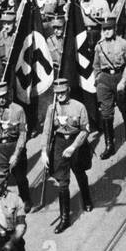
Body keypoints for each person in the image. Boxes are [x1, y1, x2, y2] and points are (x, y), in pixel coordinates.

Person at [38, 78, 92, 233]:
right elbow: (47, 131)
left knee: (80, 173)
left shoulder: (79, 106)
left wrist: (74, 147)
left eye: (62, 92)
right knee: (62, 181)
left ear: (68, 90)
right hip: (60, 143)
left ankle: (86, 199)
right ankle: (64, 218)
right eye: (57, 93)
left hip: (76, 142)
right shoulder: (52, 108)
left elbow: (85, 130)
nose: (60, 95)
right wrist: (43, 151)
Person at [93, 14, 126, 155]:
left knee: (123, 106)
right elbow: (96, 66)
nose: (106, 32)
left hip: (119, 76)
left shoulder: (124, 43)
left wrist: (123, 81)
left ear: (115, 28)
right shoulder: (99, 46)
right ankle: (109, 144)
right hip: (104, 80)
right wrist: (98, 79)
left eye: (109, 29)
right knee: (106, 113)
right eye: (104, 29)